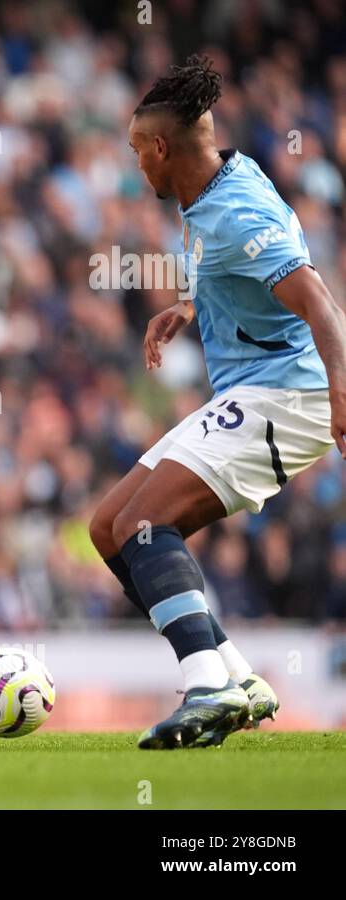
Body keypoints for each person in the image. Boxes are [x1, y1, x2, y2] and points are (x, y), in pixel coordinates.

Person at [88, 56, 346, 749]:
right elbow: (248, 272)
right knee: (110, 526)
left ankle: (208, 685)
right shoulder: (219, 182)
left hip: (288, 395)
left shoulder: (235, 210)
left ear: (163, 149)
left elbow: (321, 304)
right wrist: (190, 304)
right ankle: (238, 677)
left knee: (145, 524)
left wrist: (341, 392)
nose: (138, 167)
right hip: (254, 388)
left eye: (140, 153)